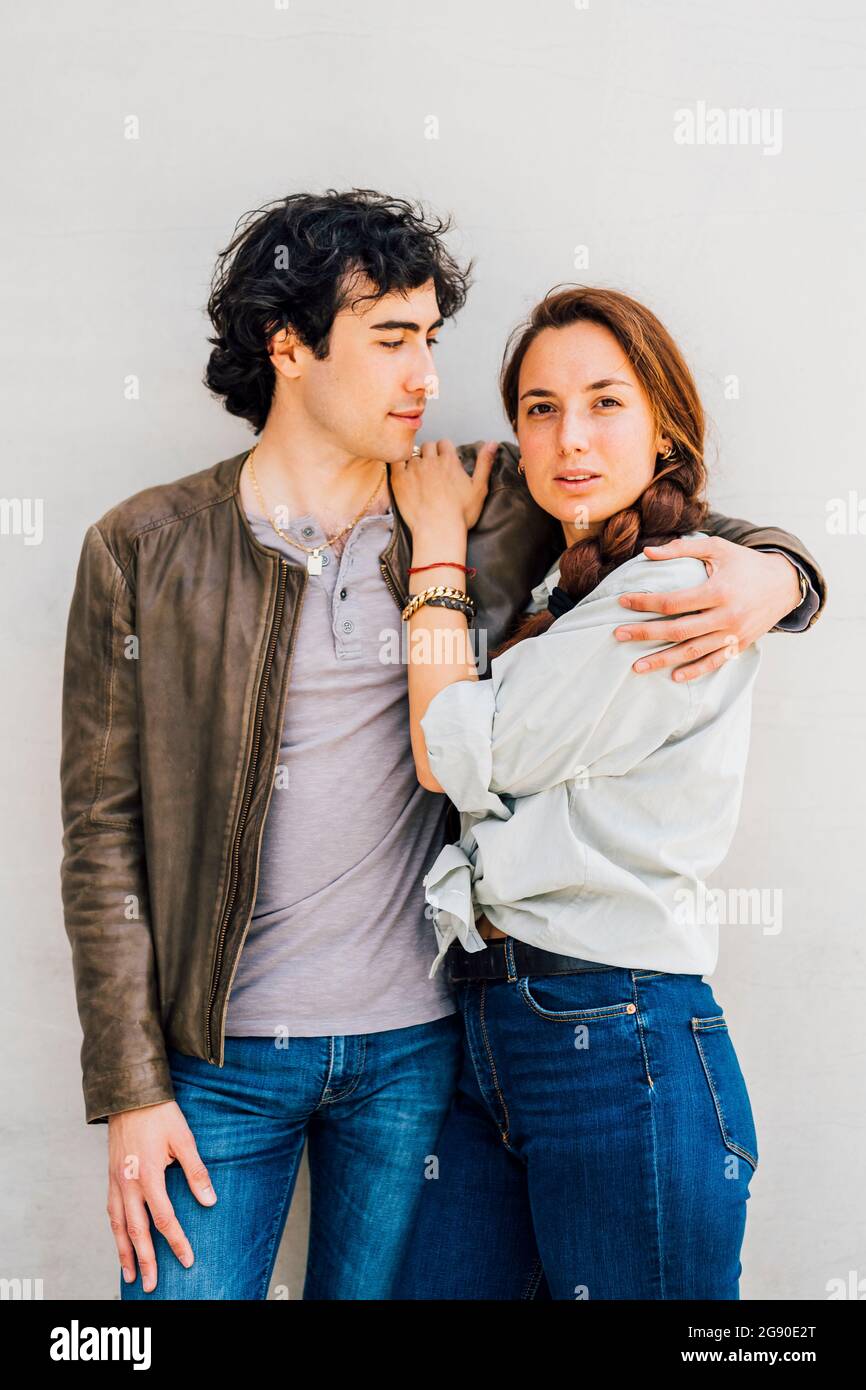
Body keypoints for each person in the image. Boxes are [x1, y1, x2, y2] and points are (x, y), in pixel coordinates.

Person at [59, 192, 825, 1301]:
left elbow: (664, 506)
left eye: (431, 339)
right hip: (215, 1065)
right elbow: (101, 838)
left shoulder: (480, 504)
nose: (425, 375)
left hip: (423, 1055)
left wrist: (783, 573)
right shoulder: (142, 547)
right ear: (288, 347)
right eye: (390, 340)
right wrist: (131, 1089)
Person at [392, 285, 801, 1300]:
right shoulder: (568, 585)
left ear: (662, 423)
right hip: (492, 1023)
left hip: (615, 1035)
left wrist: (436, 549)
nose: (567, 436)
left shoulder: (670, 585)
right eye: (538, 408)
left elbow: (450, 752)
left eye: (603, 402)